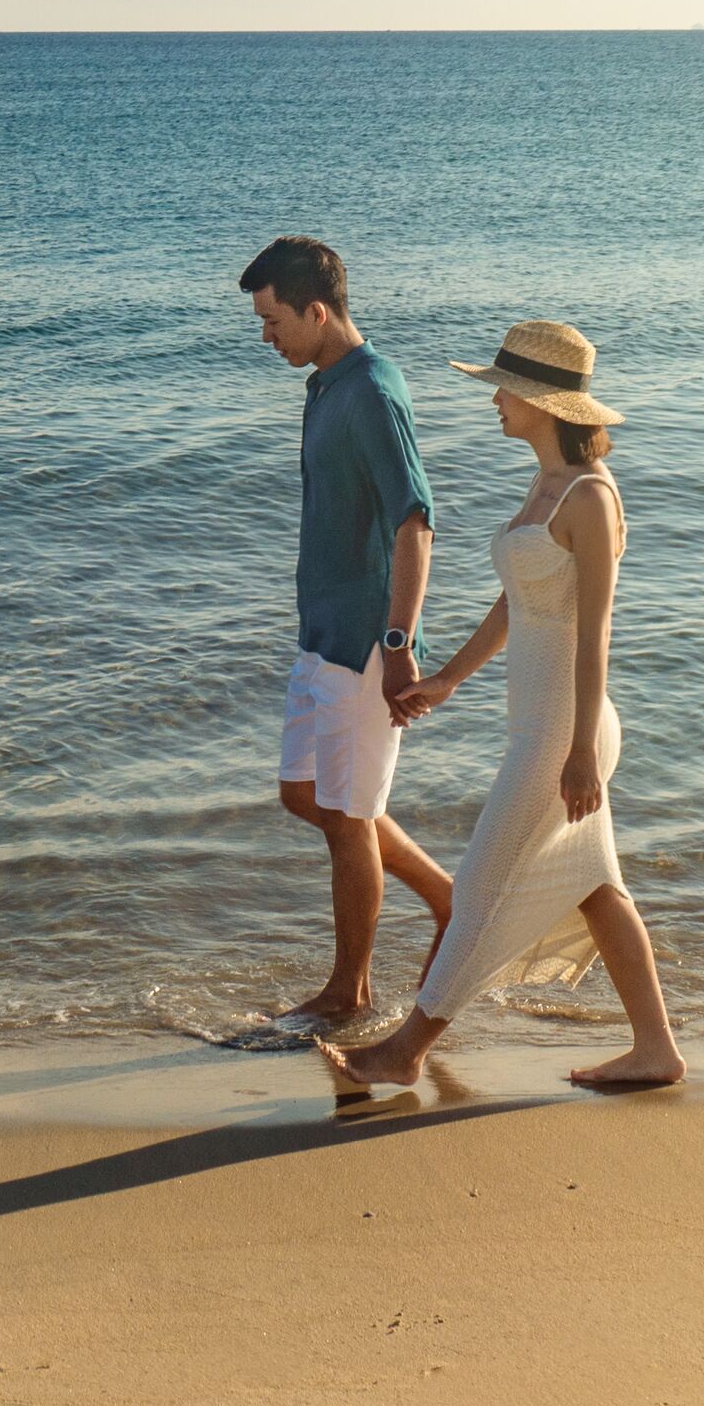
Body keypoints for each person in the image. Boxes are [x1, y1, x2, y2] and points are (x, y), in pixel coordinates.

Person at [319, 319, 687, 1095]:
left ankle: (404, 1051)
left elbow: (595, 637)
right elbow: (519, 601)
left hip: (564, 730)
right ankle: (656, 1049)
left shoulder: (590, 496)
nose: (493, 401)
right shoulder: (547, 482)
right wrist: (449, 677)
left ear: (540, 402)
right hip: (543, 724)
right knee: (597, 887)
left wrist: (581, 750)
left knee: (482, 885)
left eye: (502, 389)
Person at [239, 235, 452, 1024]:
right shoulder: (325, 384)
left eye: (272, 321)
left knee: (351, 819)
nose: (266, 336)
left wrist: (397, 647)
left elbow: (416, 521)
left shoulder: (371, 391)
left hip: (365, 642)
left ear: (316, 311)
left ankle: (348, 995)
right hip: (321, 634)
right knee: (305, 795)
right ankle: (447, 898)